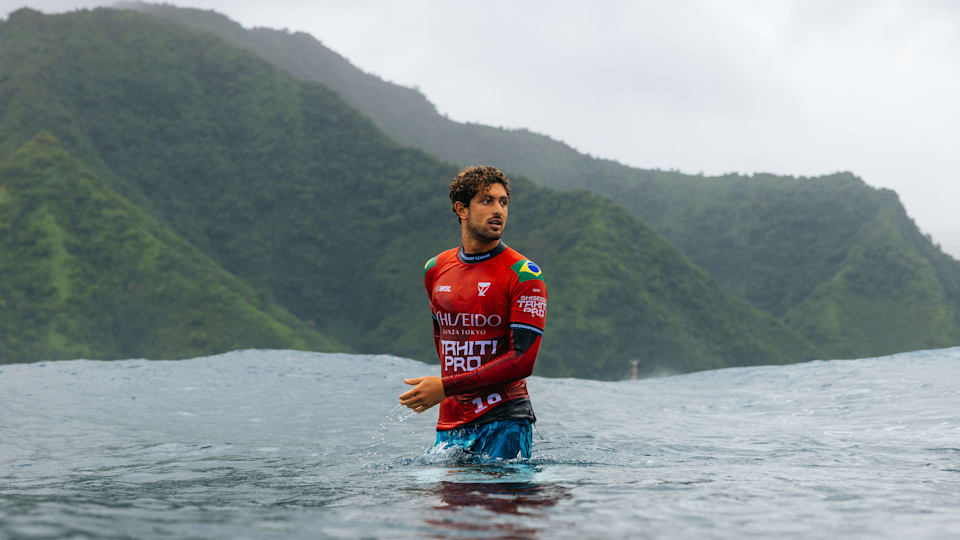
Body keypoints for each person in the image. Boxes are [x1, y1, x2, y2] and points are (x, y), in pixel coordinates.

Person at [399, 166, 547, 460]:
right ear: (461, 209)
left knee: (494, 505)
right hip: (451, 419)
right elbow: (444, 339)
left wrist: (446, 386)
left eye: (503, 202)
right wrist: (449, 391)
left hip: (504, 419)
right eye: (487, 200)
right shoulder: (436, 269)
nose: (498, 210)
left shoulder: (524, 275)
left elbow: (522, 360)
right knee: (444, 504)